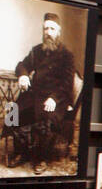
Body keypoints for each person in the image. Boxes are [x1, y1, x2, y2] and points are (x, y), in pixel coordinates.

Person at [13, 12, 77, 173]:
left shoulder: (66, 55)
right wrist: (23, 75)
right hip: (36, 94)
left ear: (58, 32)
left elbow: (67, 82)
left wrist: (54, 99)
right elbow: (22, 64)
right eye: (45, 29)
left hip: (58, 97)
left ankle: (42, 158)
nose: (48, 32)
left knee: (47, 118)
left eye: (52, 29)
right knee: (14, 111)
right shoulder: (36, 51)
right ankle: (22, 152)